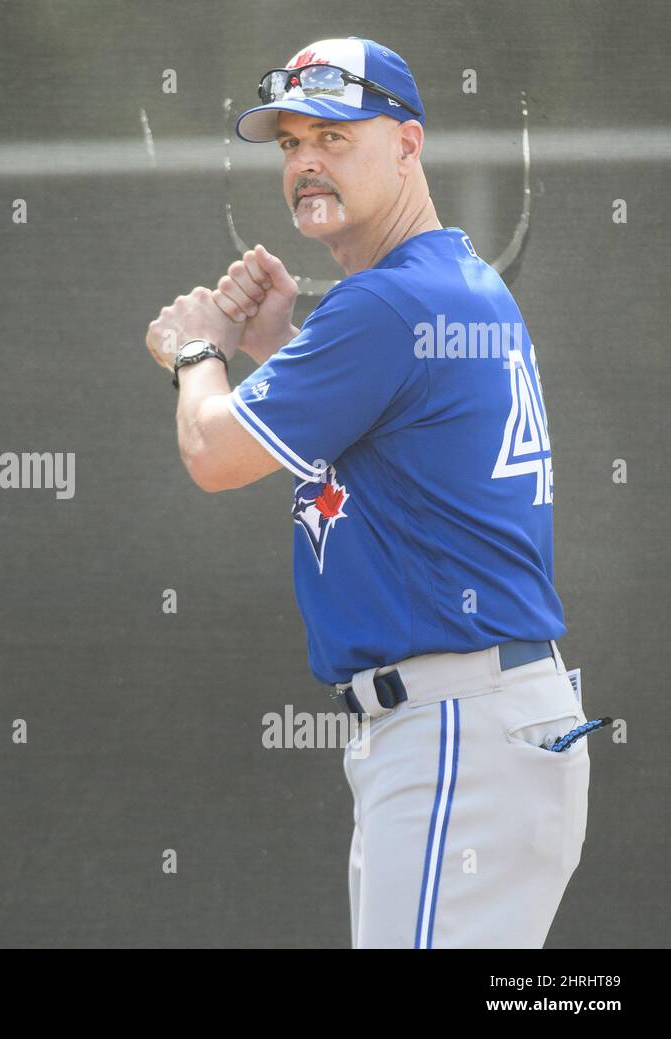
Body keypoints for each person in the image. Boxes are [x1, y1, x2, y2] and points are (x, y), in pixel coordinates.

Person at [145, 38, 592, 948]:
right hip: (487, 725)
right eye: (290, 142)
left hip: (455, 736)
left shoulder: (385, 306)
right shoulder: (452, 281)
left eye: (336, 135)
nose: (306, 161)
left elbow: (213, 452)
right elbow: (395, 455)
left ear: (407, 143)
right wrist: (285, 350)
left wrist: (199, 352)